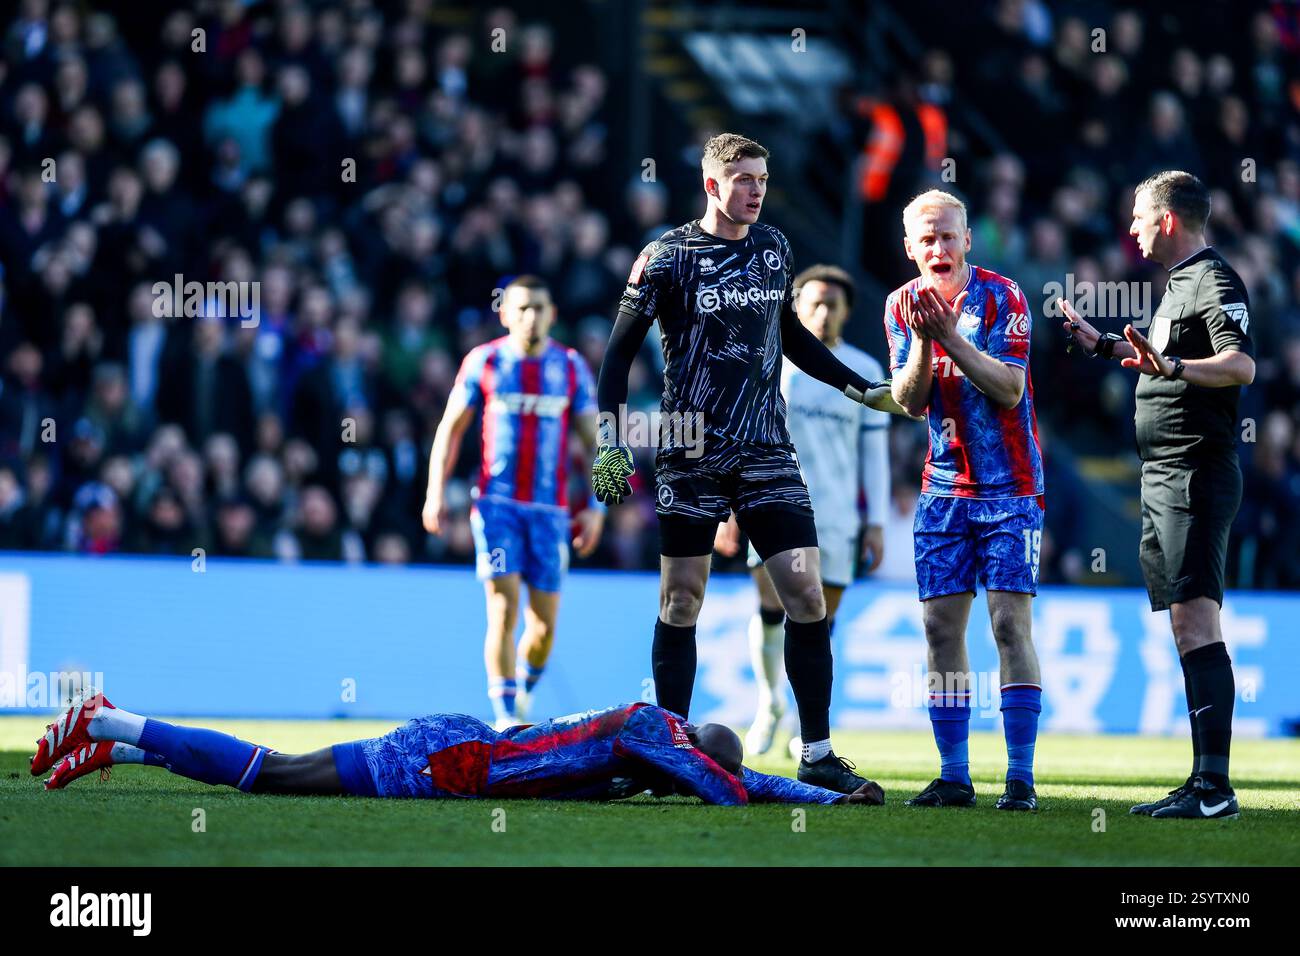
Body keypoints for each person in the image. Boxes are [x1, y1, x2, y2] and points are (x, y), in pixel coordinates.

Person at [591, 132, 911, 794]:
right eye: (742, 179)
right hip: (691, 450)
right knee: (683, 599)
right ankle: (671, 752)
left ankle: (817, 750)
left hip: (767, 450)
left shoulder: (774, 250)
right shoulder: (664, 257)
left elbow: (790, 337)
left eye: (761, 178)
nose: (756, 189)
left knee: (804, 593)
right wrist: (609, 442)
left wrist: (862, 388)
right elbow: (618, 355)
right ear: (712, 186)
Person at [1059, 170, 1253, 820]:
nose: (1132, 228)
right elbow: (1165, 356)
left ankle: (1215, 788)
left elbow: (1240, 365)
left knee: (1197, 619)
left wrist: (1171, 367)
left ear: (1167, 219)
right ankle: (1202, 780)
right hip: (1165, 474)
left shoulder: (1214, 279)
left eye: (1139, 216)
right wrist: (1107, 345)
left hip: (1195, 472)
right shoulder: (1178, 288)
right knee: (1184, 620)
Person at [886, 189, 1045, 812]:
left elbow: (1009, 388)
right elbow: (907, 399)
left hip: (1010, 488)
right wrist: (927, 340)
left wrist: (952, 338)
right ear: (910, 248)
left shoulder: (1003, 297)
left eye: (948, 236)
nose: (938, 248)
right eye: (926, 239)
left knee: (1008, 625)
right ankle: (954, 775)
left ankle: (1021, 778)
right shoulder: (901, 305)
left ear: (968, 240)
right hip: (943, 487)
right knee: (939, 628)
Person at [33, 693, 885, 807]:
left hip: (460, 751)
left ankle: (120, 750)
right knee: (272, 778)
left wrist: (827, 801)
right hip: (452, 765)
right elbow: (725, 787)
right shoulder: (649, 730)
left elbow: (738, 775)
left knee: (274, 778)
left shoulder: (657, 736)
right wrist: (750, 790)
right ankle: (114, 723)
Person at [714, 264, 891, 757]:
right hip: (770, 504)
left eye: (833, 304)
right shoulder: (775, 363)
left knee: (816, 623)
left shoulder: (861, 371)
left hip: (836, 517)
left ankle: (799, 721)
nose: (823, 312)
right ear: (795, 307)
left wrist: (874, 520)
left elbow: (872, 455)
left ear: (847, 312)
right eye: (813, 302)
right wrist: (729, 509)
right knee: (772, 609)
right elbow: (743, 440)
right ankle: (770, 702)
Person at [423, 276, 605, 730]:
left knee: (541, 628)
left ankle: (522, 688)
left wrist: (597, 506)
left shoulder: (570, 366)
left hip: (550, 512)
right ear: (504, 314)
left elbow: (596, 443)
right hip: (496, 504)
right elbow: (451, 429)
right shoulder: (483, 361)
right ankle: (505, 717)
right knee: (501, 606)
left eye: (539, 308)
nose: (530, 316)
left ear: (552, 314)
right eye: (521, 308)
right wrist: (434, 492)